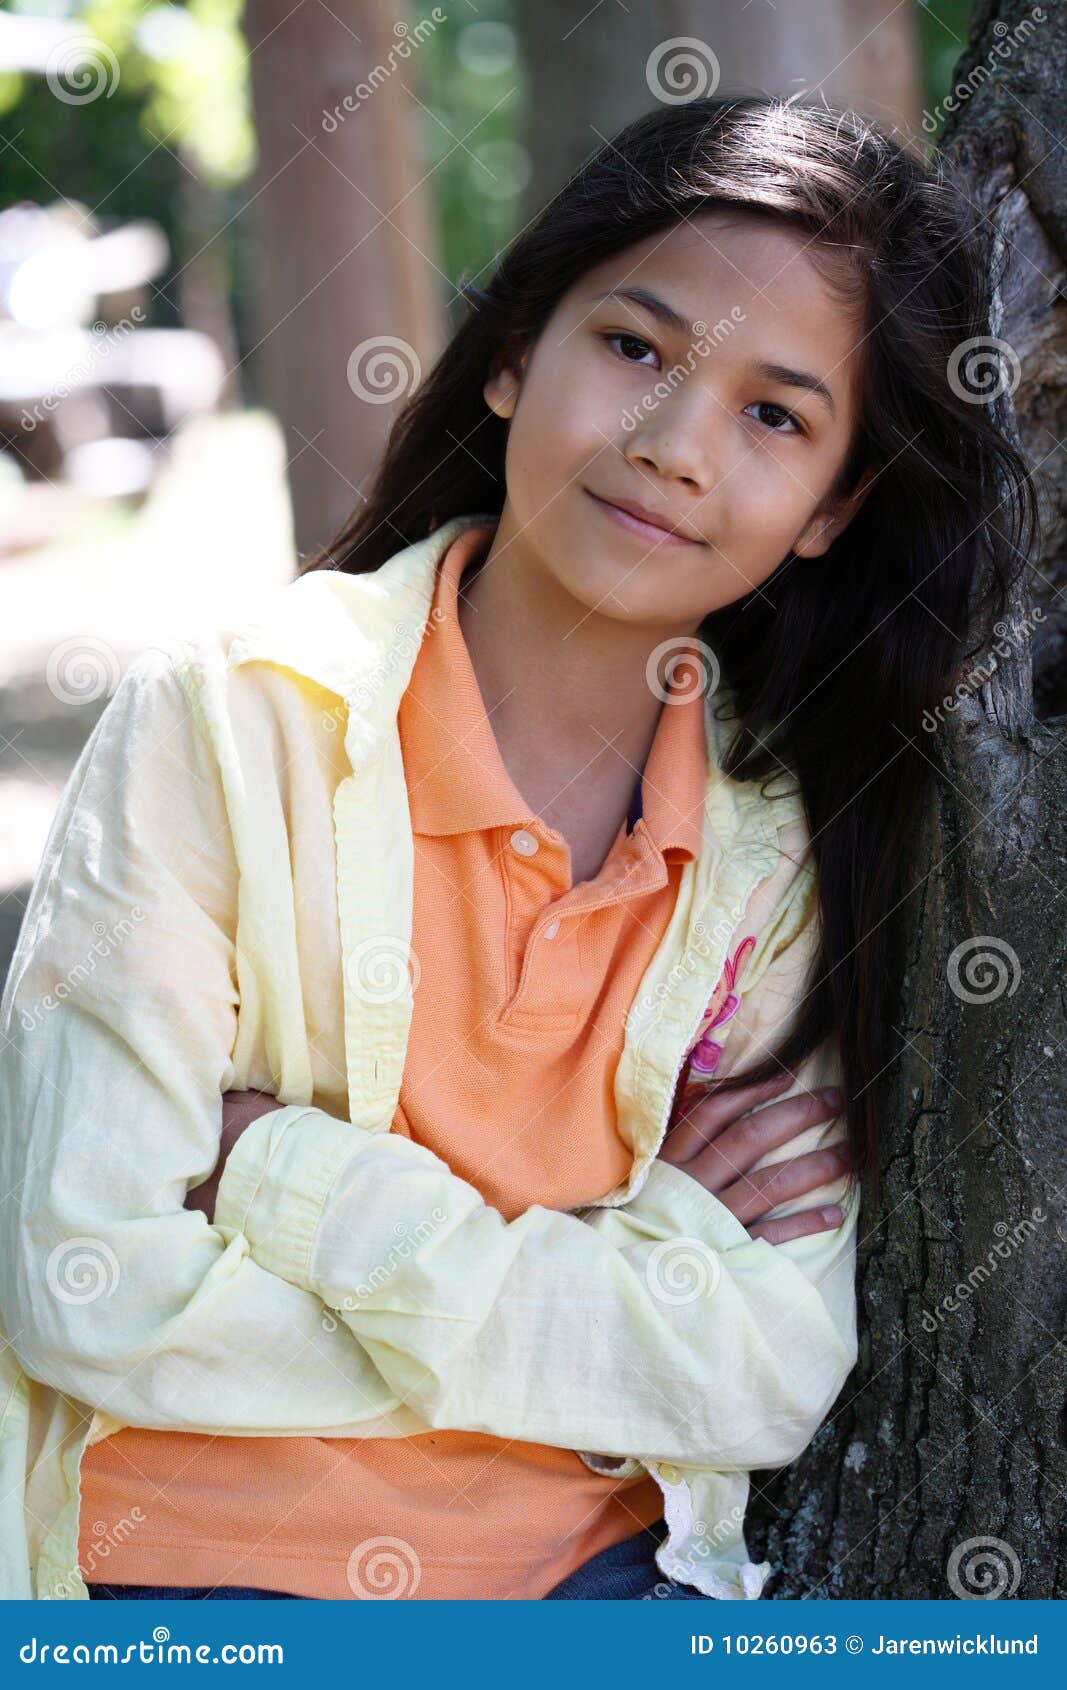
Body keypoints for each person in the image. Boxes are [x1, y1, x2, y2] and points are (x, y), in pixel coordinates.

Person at [0, 95, 1035, 1603]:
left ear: (834, 509)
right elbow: (87, 1281)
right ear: (510, 355)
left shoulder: (777, 854)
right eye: (633, 346)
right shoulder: (227, 724)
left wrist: (281, 1174)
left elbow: (762, 1371)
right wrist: (600, 1299)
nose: (674, 444)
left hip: (605, 1596)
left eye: (775, 416)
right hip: (195, 1583)